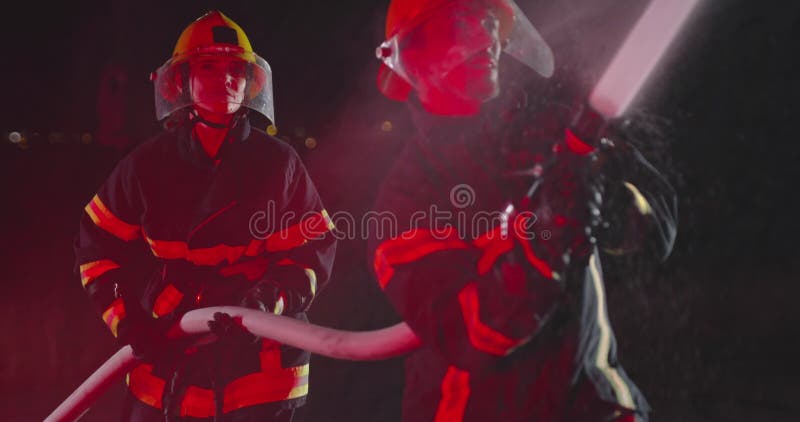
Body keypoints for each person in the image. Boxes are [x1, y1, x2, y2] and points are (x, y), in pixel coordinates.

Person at [368, 0, 677, 421]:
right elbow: (471, 337)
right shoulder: (407, 198)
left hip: (597, 406)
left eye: (488, 23)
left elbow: (657, 233)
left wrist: (609, 206)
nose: (485, 39)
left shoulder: (555, 131)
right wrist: (546, 239)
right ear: (415, 60)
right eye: (460, 27)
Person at [74, 10, 336, 421]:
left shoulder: (279, 163)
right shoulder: (147, 165)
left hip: (260, 367)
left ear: (250, 83)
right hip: (169, 354)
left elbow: (312, 251)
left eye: (235, 69)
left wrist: (266, 303)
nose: (224, 79)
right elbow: (96, 247)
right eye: (208, 67)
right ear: (181, 81)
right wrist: (129, 322)